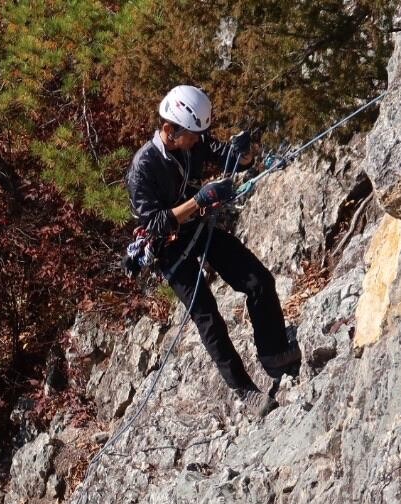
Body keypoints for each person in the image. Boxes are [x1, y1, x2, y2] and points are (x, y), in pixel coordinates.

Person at [127, 84, 300, 416]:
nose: (197, 140)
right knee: (207, 315)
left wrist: (243, 153)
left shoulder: (194, 140)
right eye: (191, 135)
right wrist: (200, 199)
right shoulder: (143, 168)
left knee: (258, 280)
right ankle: (244, 389)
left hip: (199, 225)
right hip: (168, 247)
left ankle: (274, 352)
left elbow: (229, 157)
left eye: (198, 135)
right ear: (168, 130)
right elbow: (155, 224)